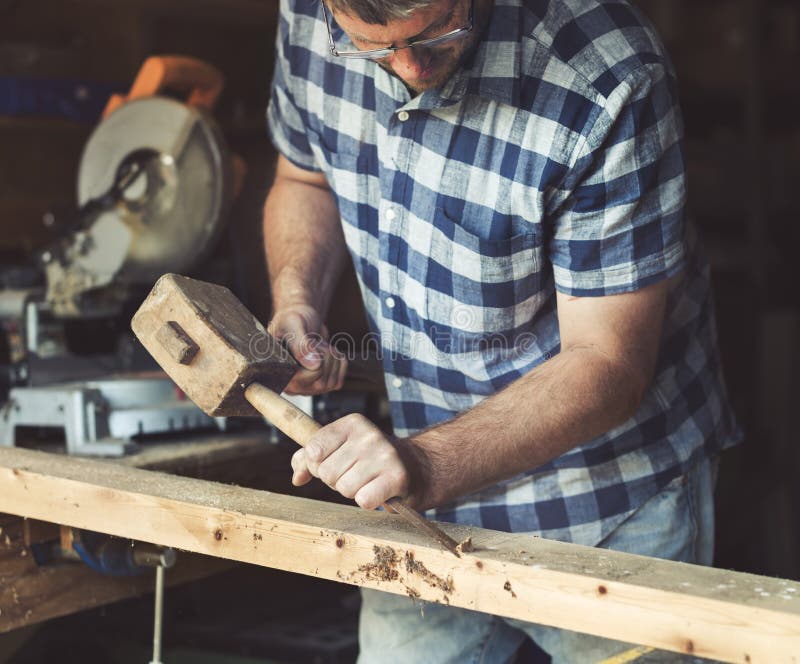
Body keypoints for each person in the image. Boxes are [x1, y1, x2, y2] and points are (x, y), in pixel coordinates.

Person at [262, 0, 741, 660]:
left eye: (434, 33)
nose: (407, 65)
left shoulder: (606, 73)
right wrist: (297, 299)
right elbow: (302, 175)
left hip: (608, 496)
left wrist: (423, 463)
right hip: (416, 498)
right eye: (374, 47)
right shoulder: (310, 17)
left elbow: (608, 364)